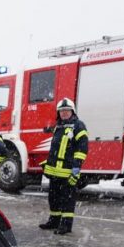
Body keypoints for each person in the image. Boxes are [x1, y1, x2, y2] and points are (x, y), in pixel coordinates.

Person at [38, 98, 88, 235]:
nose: (64, 113)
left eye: (67, 111)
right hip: (55, 172)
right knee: (53, 198)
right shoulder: (58, 127)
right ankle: (54, 221)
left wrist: (76, 170)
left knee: (67, 199)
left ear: (72, 111)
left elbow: (82, 150)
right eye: (61, 111)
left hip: (68, 172)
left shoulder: (78, 126)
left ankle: (66, 225)